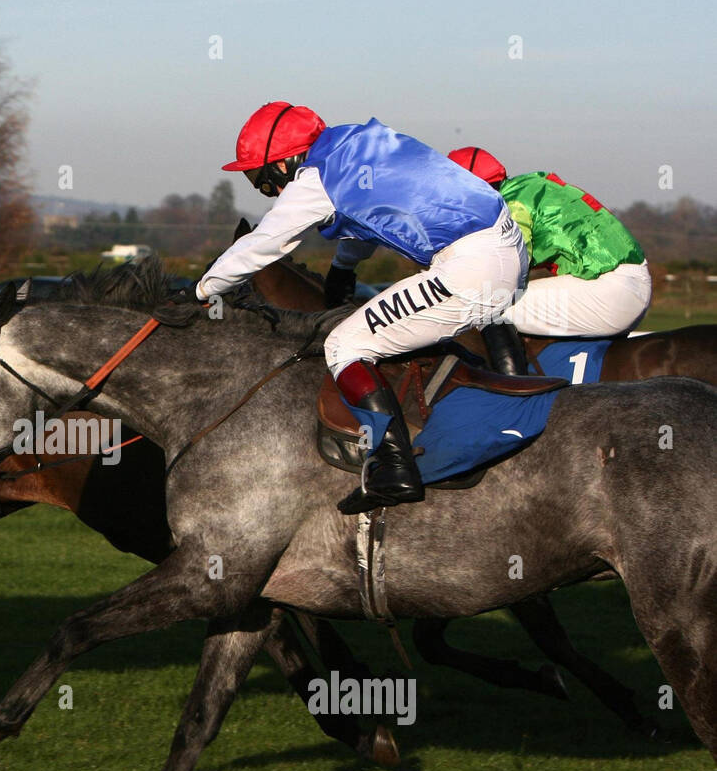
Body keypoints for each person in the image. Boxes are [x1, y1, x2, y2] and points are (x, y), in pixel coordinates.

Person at [196, 103, 527, 514]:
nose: (270, 191)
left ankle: (395, 468)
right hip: (500, 247)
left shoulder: (315, 178)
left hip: (472, 266)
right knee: (389, 331)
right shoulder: (356, 145)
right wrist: (344, 266)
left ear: (285, 163)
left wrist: (203, 289)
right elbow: (378, 213)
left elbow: (265, 242)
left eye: (262, 180)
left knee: (343, 345)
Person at [445, 147, 651, 372]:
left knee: (489, 304)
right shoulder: (526, 187)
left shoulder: (512, 206)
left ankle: (512, 394)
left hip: (612, 291)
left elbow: (503, 269)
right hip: (625, 283)